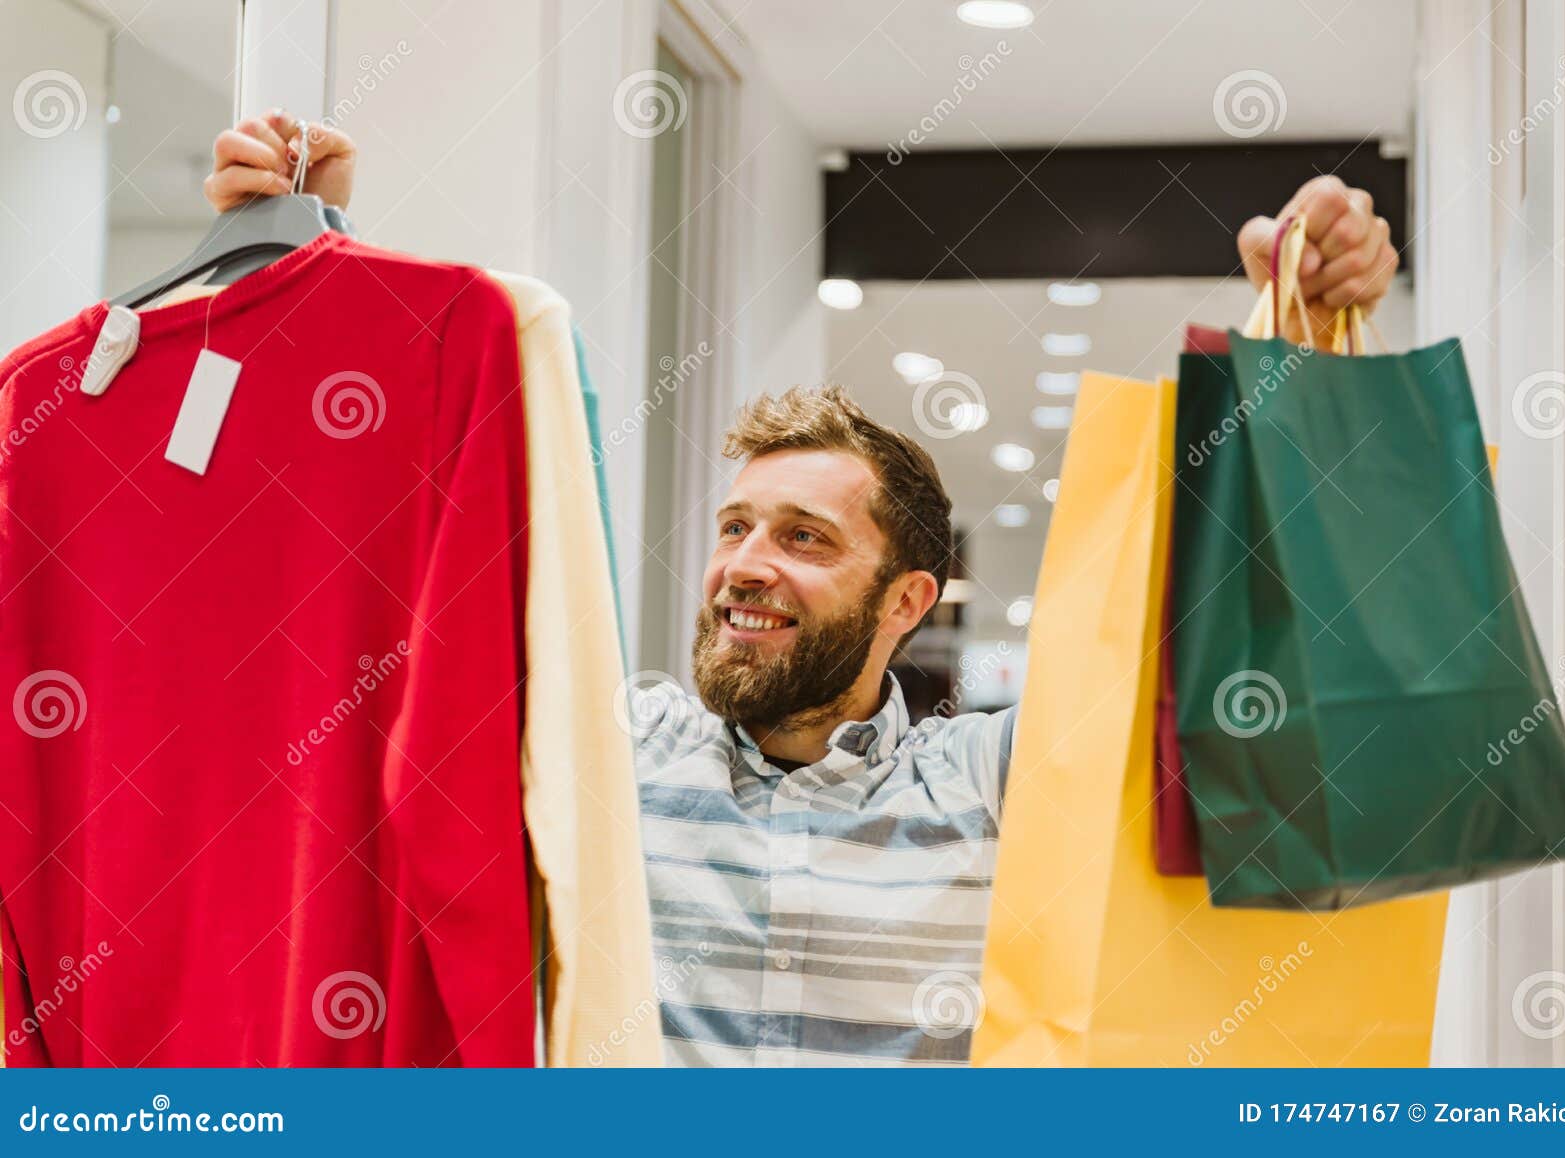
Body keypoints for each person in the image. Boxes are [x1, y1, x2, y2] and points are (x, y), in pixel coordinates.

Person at [204, 111, 1400, 1066]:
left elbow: (1260, 695)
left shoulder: (997, 784)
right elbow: (359, 596)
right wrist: (307, 270)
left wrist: (1302, 360)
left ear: (906, 601)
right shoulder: (610, 756)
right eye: (734, 528)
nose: (745, 564)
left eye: (804, 538)